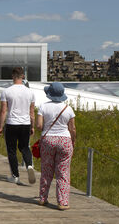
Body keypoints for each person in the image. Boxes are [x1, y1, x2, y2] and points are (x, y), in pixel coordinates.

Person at [36, 82, 76, 210]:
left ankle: (43, 198)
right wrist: (73, 142)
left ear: (49, 94)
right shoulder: (68, 109)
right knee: (63, 172)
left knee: (46, 170)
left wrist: (45, 130)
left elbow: (39, 126)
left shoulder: (43, 107)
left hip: (48, 140)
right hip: (65, 140)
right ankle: (62, 202)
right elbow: (73, 129)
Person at [0, 67, 36, 185]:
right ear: (23, 76)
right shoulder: (30, 92)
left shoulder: (7, 91)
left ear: (13, 76)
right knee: (24, 147)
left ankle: (15, 175)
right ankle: (29, 165)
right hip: (25, 123)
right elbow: (32, 112)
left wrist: (0, 126)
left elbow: (3, 111)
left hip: (12, 123)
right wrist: (32, 127)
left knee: (12, 150)